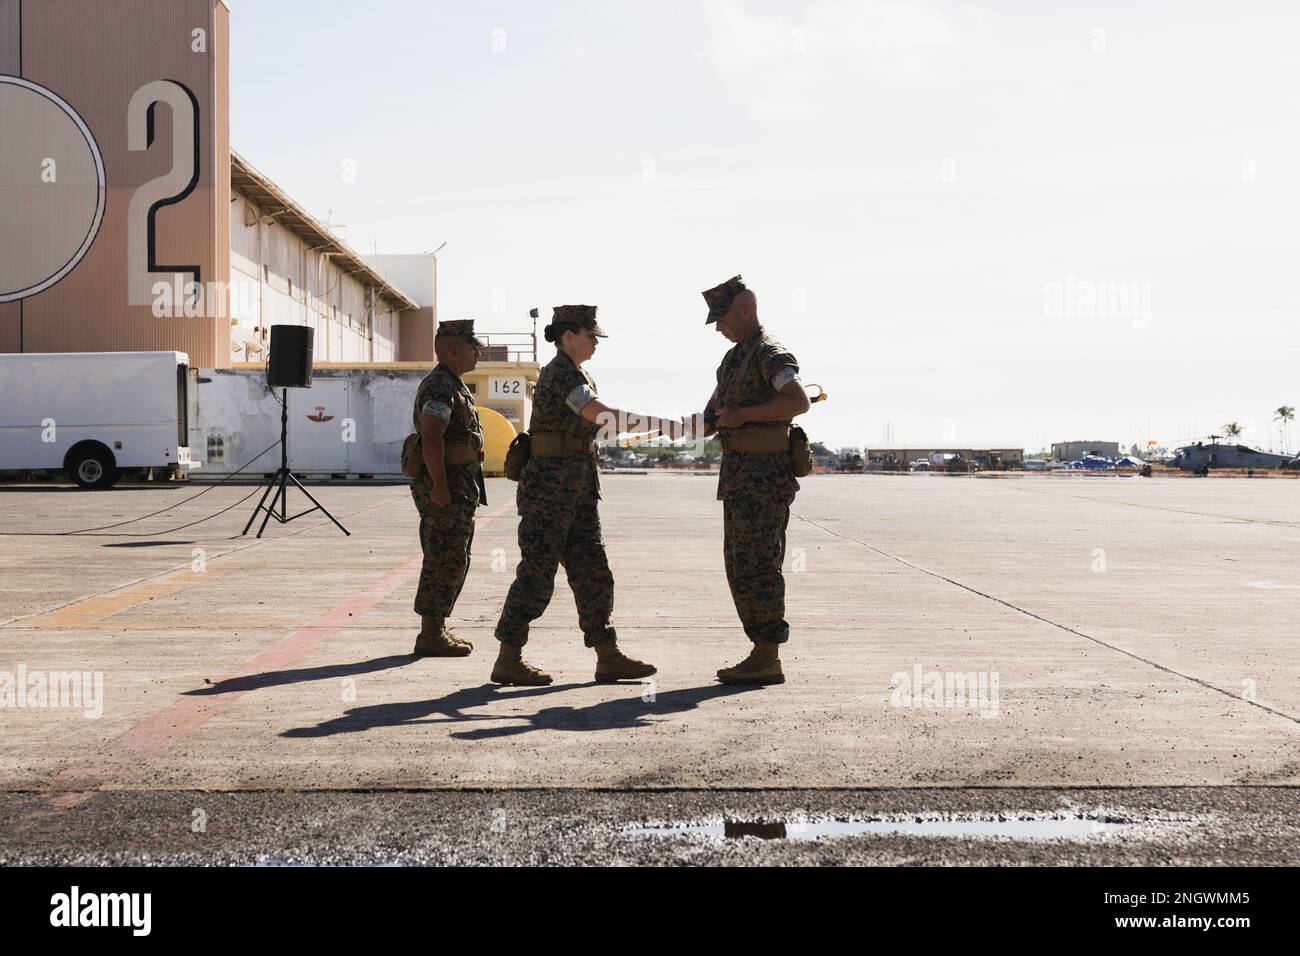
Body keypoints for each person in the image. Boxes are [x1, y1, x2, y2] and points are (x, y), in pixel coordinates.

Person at [492, 305, 679, 686]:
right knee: (537, 576)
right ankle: (508, 657)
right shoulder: (560, 373)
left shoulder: (579, 374)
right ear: (569, 336)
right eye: (591, 335)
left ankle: (607, 656)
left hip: (577, 490)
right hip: (548, 492)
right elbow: (600, 414)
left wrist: (652, 430)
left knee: (594, 573)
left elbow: (595, 428)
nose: (596, 342)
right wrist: (662, 422)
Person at [691, 275, 810, 685]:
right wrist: (667, 426)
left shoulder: (769, 354)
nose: (719, 328)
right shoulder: (732, 360)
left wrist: (744, 415)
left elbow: (798, 401)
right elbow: (709, 416)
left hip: (765, 480)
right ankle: (760, 650)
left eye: (721, 319)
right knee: (739, 565)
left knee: (760, 564)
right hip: (739, 478)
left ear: (745, 309)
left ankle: (767, 654)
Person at [409, 319, 488, 657]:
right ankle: (430, 633)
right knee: (444, 558)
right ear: (454, 349)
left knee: (454, 557)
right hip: (446, 487)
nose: (478, 354)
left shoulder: (453, 384)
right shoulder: (441, 386)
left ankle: (436, 627)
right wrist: (440, 487)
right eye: (474, 348)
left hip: (457, 486)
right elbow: (430, 436)